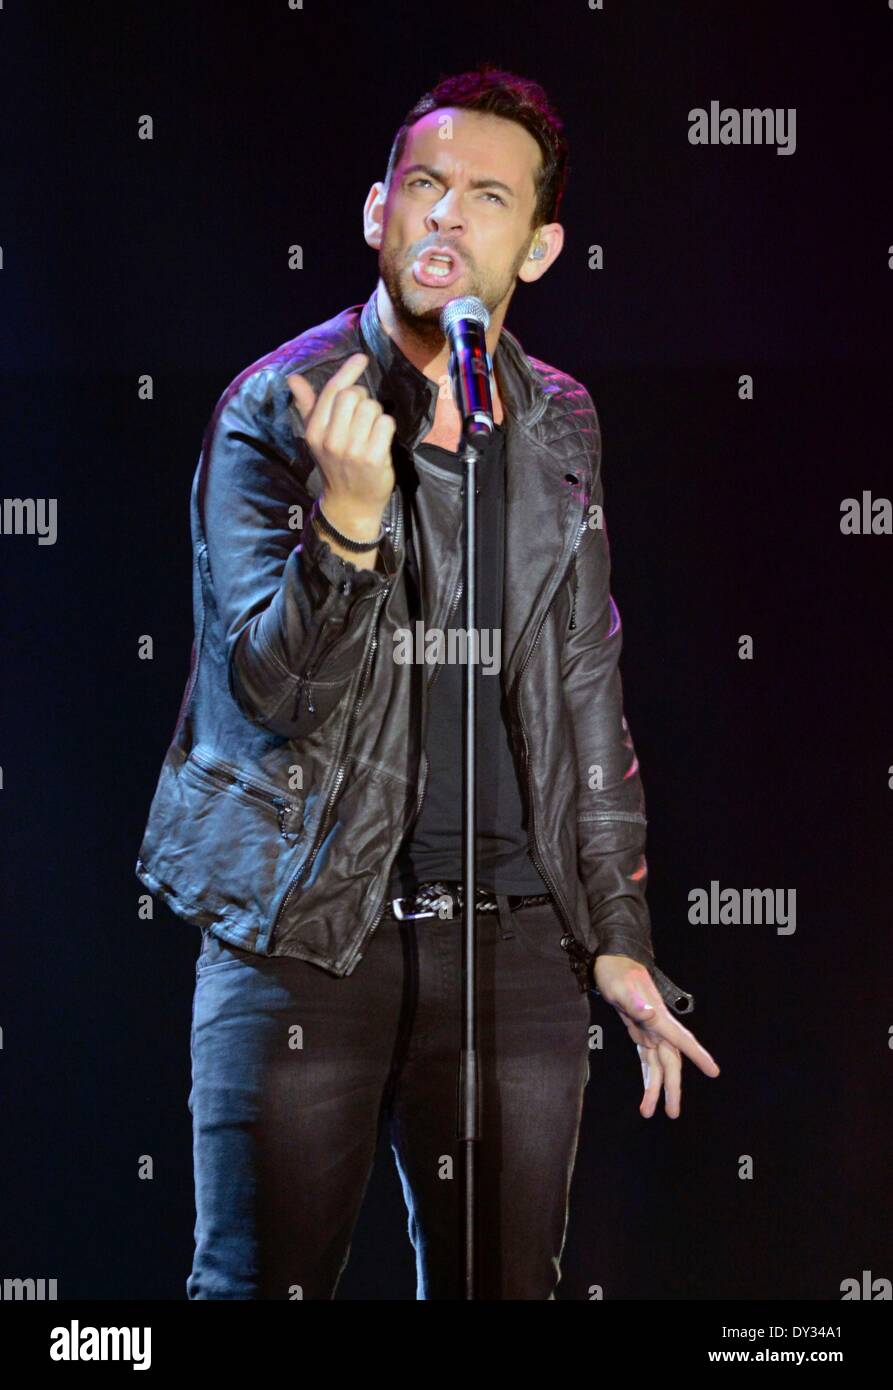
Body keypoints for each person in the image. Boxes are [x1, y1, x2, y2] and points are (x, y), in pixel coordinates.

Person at [136, 64, 720, 1301]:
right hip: (309, 933)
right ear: (374, 213)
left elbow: (581, 680)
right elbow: (262, 693)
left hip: (511, 945)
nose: (447, 216)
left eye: (486, 197)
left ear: (541, 245)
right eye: (424, 185)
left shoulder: (557, 419)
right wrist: (343, 538)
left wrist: (615, 938)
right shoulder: (278, 407)